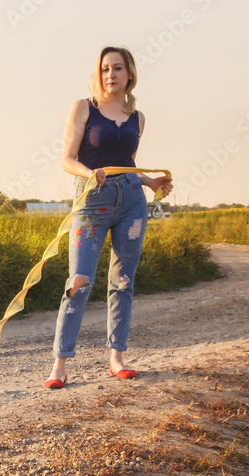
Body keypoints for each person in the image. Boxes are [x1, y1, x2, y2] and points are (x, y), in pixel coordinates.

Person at [44, 45, 173, 388]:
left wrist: (151, 182)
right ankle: (60, 364)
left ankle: (117, 358)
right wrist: (89, 173)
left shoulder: (137, 118)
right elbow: (66, 159)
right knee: (79, 280)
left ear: (129, 74)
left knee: (123, 281)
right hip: (92, 201)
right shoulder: (84, 108)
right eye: (104, 69)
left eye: (117, 68)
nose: (110, 75)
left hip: (131, 201)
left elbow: (126, 164)